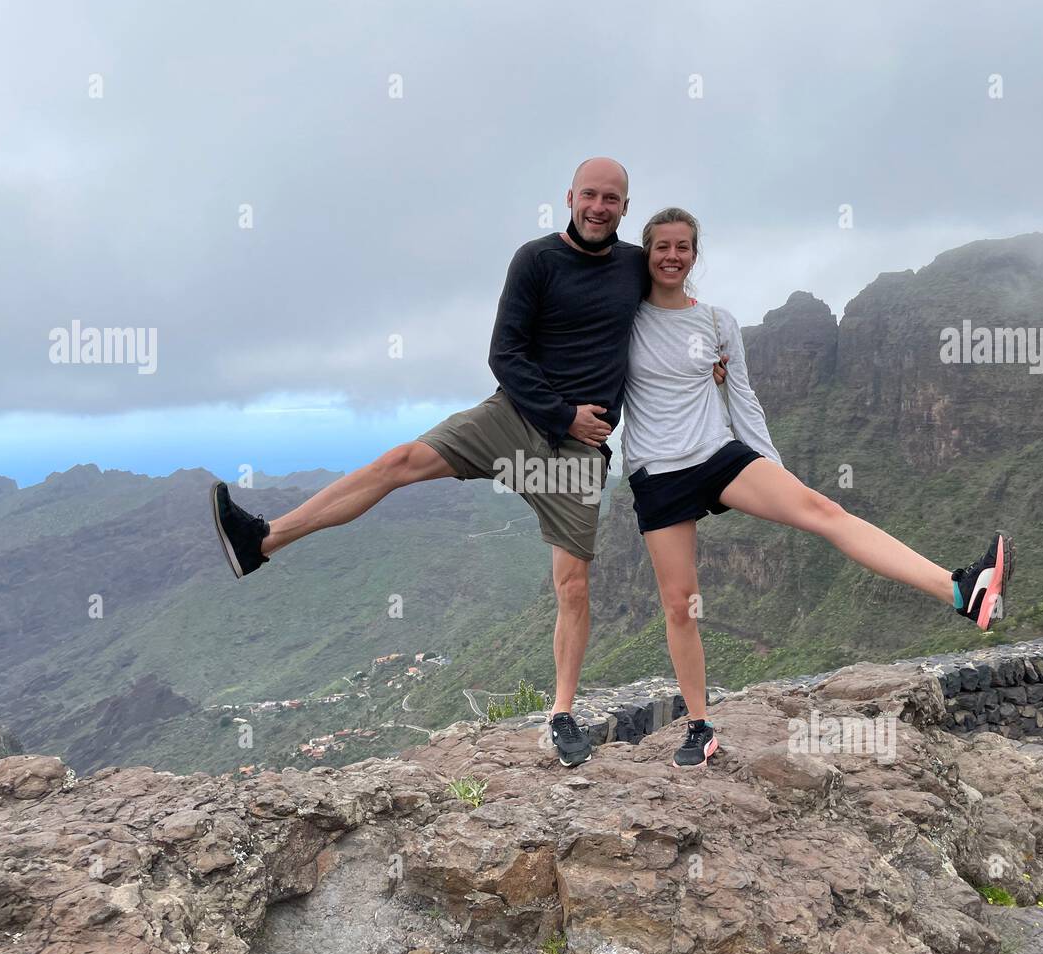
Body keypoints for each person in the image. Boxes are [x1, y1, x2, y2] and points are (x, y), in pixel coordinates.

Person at [210, 159, 722, 768]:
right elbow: (503, 353)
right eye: (590, 194)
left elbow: (671, 301)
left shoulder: (633, 267)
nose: (599, 206)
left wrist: (708, 356)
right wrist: (562, 415)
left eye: (612, 198)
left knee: (573, 586)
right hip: (517, 418)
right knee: (400, 460)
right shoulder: (535, 260)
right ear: (570, 196)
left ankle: (561, 715)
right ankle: (263, 541)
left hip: (580, 454)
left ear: (624, 208)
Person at [621, 207, 1015, 768]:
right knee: (680, 605)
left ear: (695, 253)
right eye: (662, 246)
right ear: (646, 251)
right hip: (656, 473)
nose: (672, 256)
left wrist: (776, 469)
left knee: (826, 511)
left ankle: (960, 590)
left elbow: (743, 398)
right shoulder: (626, 318)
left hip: (717, 456)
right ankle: (700, 726)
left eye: (683, 247)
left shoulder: (715, 322)